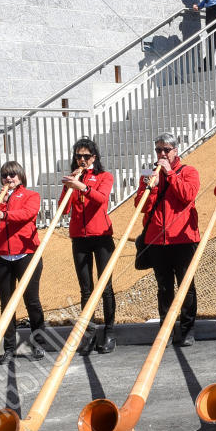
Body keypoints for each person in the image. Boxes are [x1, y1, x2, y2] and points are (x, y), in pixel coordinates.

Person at [137, 132, 200, 347]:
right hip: (157, 239)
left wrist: (170, 174)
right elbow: (141, 206)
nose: (162, 153)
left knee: (186, 286)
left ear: (175, 151)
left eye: (166, 150)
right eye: (158, 150)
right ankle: (167, 329)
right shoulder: (149, 173)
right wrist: (150, 189)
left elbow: (187, 195)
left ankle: (188, 328)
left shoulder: (188, 171)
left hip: (183, 238)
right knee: (164, 287)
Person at [0, 160, 45, 364]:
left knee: (32, 300)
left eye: (12, 175)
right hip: (1, 256)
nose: (8, 179)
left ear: (20, 177)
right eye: (5, 175)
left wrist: (4, 214)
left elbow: (28, 214)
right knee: (6, 303)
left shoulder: (31, 195)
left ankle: (38, 343)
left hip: (25, 253)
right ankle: (9, 348)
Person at [64, 138, 117, 356]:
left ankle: (110, 331)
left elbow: (101, 199)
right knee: (86, 288)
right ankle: (89, 332)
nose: (82, 160)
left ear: (94, 157)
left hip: (102, 236)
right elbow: (64, 207)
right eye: (78, 156)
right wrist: (70, 186)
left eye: (86, 156)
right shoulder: (75, 178)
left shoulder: (104, 176)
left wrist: (82, 187)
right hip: (80, 238)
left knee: (105, 287)